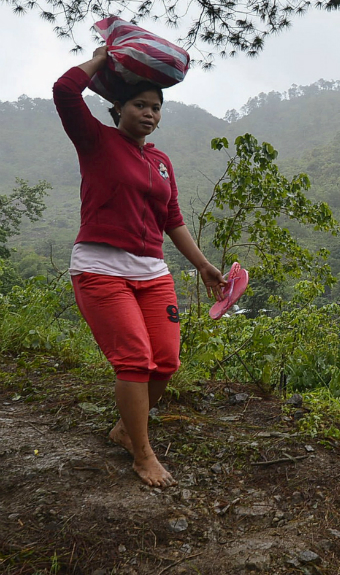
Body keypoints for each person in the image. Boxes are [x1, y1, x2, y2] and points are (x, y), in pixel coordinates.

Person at [54, 46, 226, 487]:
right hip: (100, 267)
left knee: (165, 361)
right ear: (118, 110)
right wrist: (98, 59)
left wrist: (204, 266)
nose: (149, 114)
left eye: (155, 107)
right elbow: (65, 91)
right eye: (139, 105)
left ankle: (123, 428)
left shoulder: (161, 161)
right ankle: (142, 452)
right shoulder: (96, 141)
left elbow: (172, 219)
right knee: (133, 360)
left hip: (152, 272)